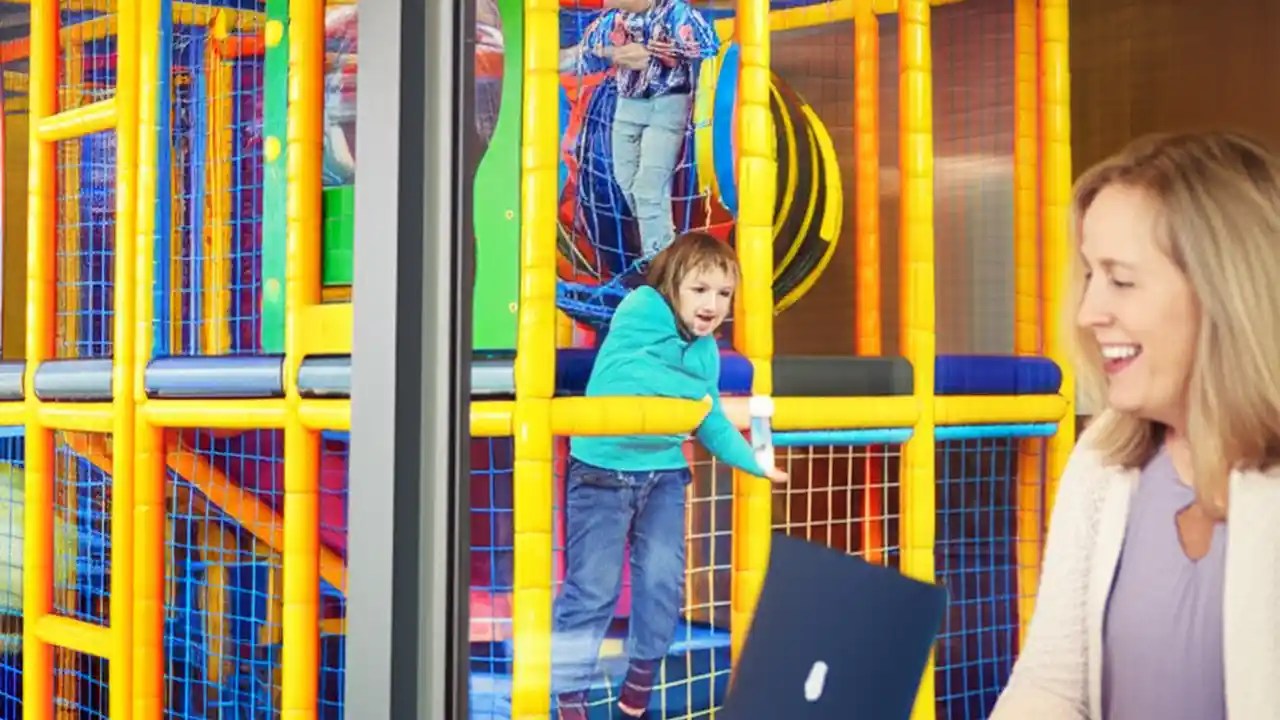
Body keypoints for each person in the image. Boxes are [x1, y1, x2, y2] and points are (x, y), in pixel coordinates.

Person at [990, 131, 1280, 720]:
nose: (1088, 312)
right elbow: (1051, 684)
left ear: (1223, 292)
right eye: (1091, 276)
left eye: (1121, 280)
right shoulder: (1103, 458)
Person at [552, 232, 789, 720]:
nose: (713, 305)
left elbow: (712, 421)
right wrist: (696, 401)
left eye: (724, 295)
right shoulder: (642, 308)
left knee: (662, 583)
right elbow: (629, 379)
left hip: (662, 475)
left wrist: (756, 463)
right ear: (672, 286)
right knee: (592, 589)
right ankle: (568, 693)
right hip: (602, 473)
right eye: (700, 290)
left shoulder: (704, 353)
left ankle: (639, 684)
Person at [574, 0, 720, 260]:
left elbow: (710, 45)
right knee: (626, 180)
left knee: (648, 188)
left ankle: (660, 260)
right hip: (628, 103)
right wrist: (611, 52)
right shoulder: (614, 19)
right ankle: (665, 248)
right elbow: (586, 54)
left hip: (667, 103)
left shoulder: (675, 12)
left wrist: (672, 50)